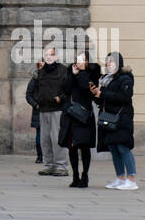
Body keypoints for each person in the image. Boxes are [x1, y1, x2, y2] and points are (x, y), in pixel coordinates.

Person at [92, 50, 137, 189]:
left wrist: (102, 93)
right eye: (107, 61)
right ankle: (120, 177)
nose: (108, 64)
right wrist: (96, 94)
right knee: (113, 147)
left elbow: (124, 97)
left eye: (111, 61)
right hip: (109, 118)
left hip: (122, 118)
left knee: (122, 147)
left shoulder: (126, 78)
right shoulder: (107, 79)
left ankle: (131, 179)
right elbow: (102, 100)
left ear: (118, 63)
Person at [58, 50, 99, 188]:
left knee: (84, 147)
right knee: (72, 147)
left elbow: (85, 88)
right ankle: (75, 175)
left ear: (88, 61)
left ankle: (85, 175)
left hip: (84, 116)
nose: (79, 62)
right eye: (78, 59)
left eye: (82, 59)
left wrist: (81, 73)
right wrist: (73, 75)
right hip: (71, 115)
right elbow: (65, 89)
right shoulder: (71, 71)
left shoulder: (92, 73)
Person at [30, 46, 69, 177]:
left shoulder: (64, 70)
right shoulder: (40, 72)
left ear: (56, 57)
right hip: (43, 109)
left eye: (51, 55)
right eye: (46, 55)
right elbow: (32, 90)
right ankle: (48, 165)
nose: (48, 57)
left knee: (57, 139)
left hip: (57, 110)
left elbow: (68, 90)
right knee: (45, 139)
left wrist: (60, 98)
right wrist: (37, 102)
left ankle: (61, 166)